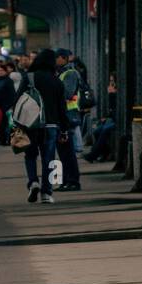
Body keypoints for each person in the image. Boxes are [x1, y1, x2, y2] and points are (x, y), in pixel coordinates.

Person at [21, 49, 68, 204]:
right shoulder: (56, 81)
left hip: (31, 124)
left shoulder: (28, 78)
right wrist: (64, 129)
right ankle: (46, 193)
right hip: (51, 125)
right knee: (48, 159)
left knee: (30, 155)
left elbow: (18, 101)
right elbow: (62, 108)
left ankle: (33, 182)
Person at [55, 49, 84, 191]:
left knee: (68, 151)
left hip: (69, 115)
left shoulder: (70, 73)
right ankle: (67, 180)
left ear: (64, 58)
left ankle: (73, 180)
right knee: (63, 151)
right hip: (63, 115)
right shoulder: (60, 73)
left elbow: (67, 93)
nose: (55, 60)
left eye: (57, 58)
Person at [0, 62, 17, 143]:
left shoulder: (8, 81)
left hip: (7, 106)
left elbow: (12, 94)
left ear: (5, 71)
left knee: (7, 124)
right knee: (0, 124)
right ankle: (2, 138)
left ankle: (8, 139)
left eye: (1, 70)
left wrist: (11, 106)